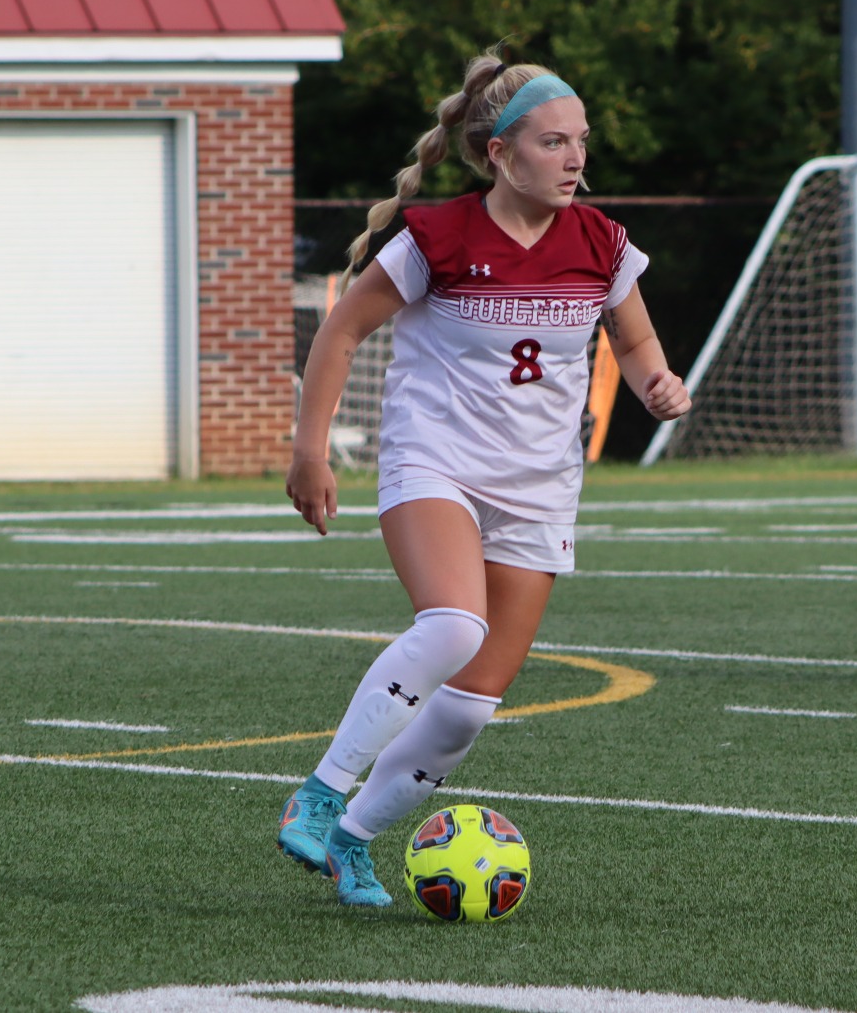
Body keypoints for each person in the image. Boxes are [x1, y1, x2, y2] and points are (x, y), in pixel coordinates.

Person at [276, 48, 692, 906]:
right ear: (500, 153)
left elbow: (639, 339)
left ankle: (354, 840)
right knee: (454, 623)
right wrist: (309, 450)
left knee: (469, 706)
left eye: (582, 140)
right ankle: (320, 793)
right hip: (437, 465)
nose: (575, 158)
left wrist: (657, 380)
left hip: (539, 488)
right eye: (553, 142)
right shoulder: (437, 236)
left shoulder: (603, 242)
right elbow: (340, 333)